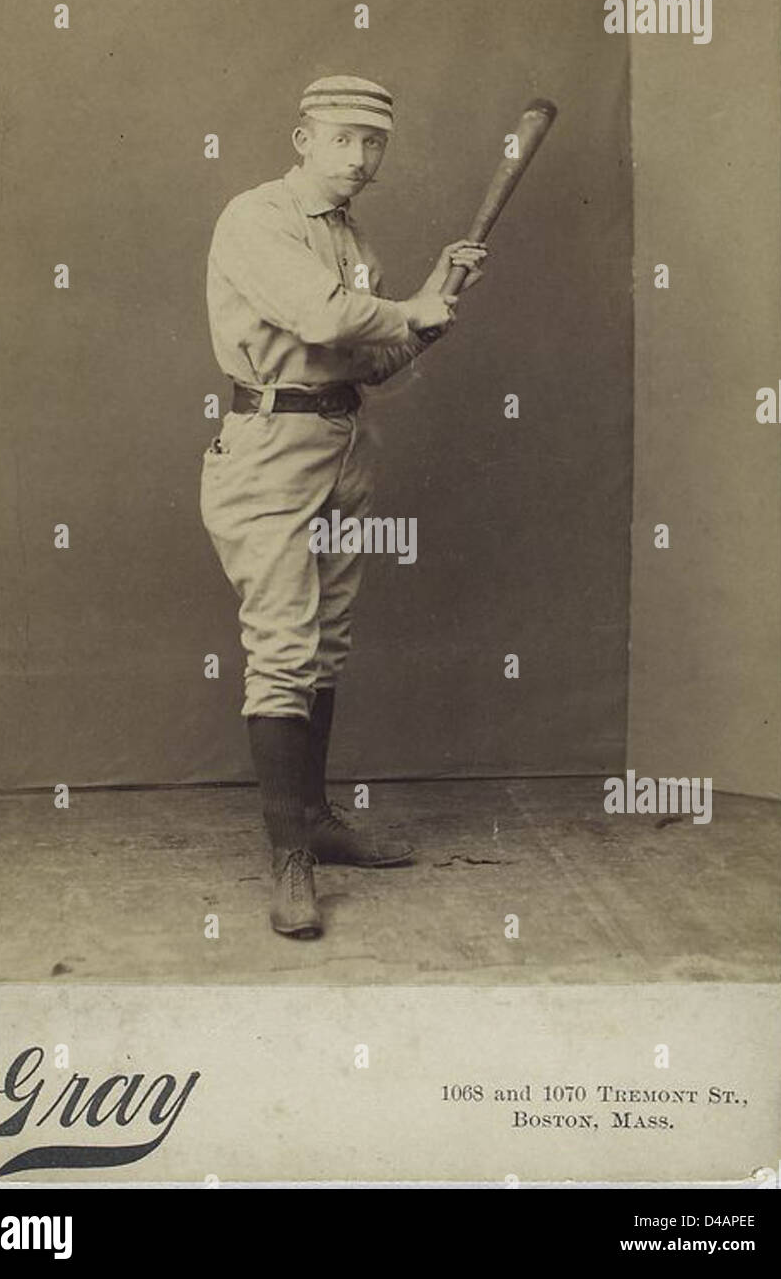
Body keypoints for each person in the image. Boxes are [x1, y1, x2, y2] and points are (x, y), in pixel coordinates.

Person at [201, 75, 487, 938]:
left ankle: (317, 822)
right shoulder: (257, 217)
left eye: (374, 142)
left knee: (326, 642)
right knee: (283, 649)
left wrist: (428, 316)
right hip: (268, 450)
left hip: (341, 443)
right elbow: (321, 318)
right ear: (303, 138)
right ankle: (288, 859)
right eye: (343, 138)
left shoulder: (354, 240)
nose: (360, 157)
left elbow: (367, 362)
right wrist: (406, 307)